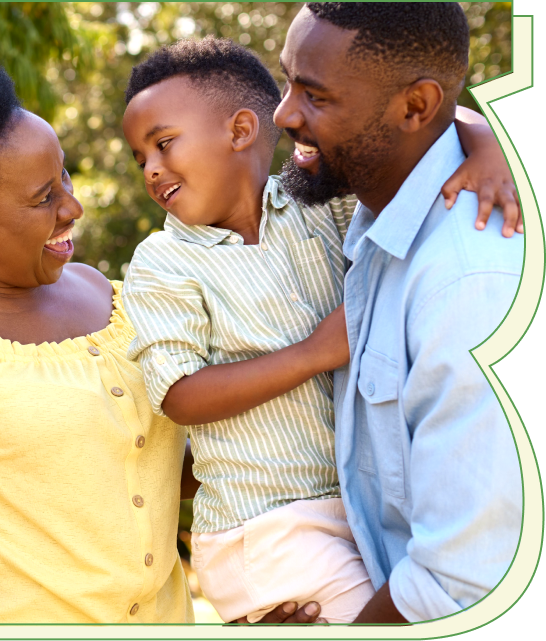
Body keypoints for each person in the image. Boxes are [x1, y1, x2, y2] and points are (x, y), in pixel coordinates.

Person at [120, 36, 520, 624]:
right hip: (262, 527)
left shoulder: (319, 207)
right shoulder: (163, 261)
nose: (152, 169)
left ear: (240, 130)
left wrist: (484, 143)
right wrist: (313, 353)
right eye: (140, 158)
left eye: (163, 144)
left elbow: (410, 124)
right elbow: (181, 394)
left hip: (354, 508)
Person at [0, 61, 194, 624]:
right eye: (43, 197)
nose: (72, 207)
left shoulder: (108, 294)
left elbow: (154, 459)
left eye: (64, 177)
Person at [275, 2, 523, 623]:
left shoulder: (464, 280)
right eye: (287, 80)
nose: (284, 113)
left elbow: (461, 584)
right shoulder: (376, 228)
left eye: (315, 96)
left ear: (415, 107)